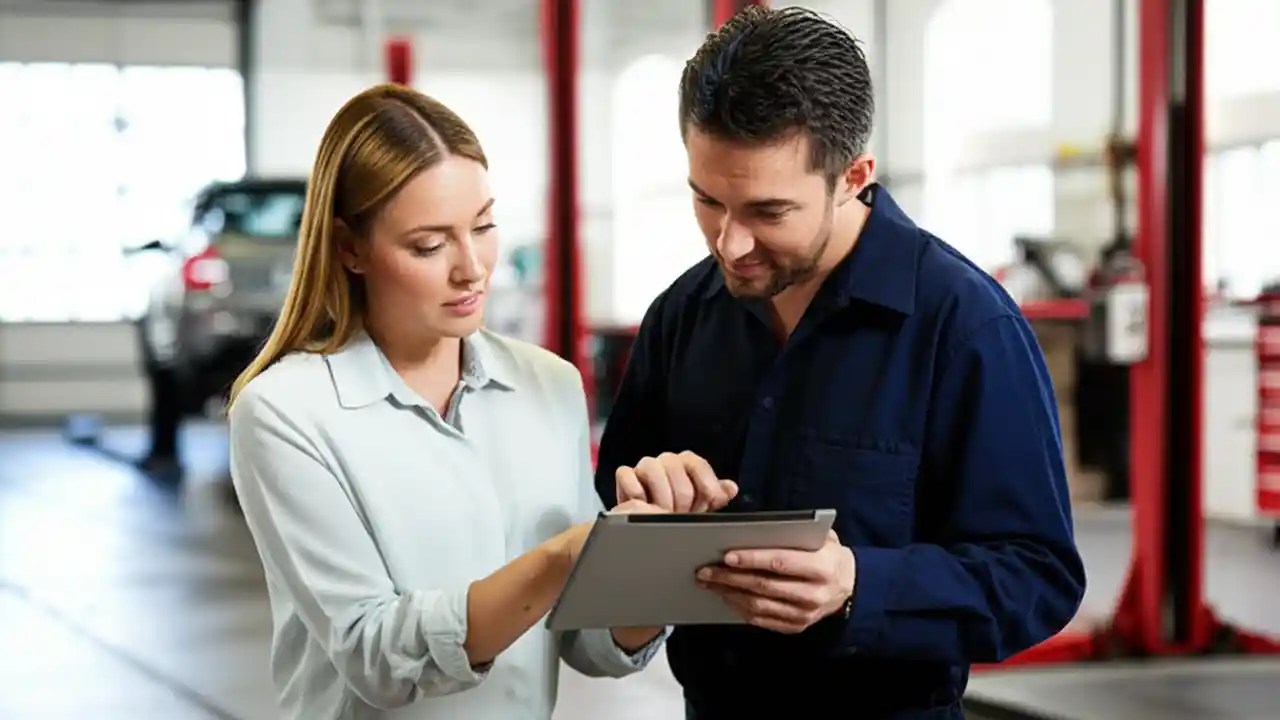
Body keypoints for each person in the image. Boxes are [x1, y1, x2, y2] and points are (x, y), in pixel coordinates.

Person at [593, 7, 1088, 719]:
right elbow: (610, 524)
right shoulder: (682, 316)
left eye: (769, 211)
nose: (730, 245)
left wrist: (860, 583)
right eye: (708, 200)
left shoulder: (965, 327)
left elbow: (1036, 578)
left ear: (852, 176)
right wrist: (643, 502)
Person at [225, 83, 672, 720]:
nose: (472, 268)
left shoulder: (548, 384)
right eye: (430, 245)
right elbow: (376, 658)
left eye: (484, 226)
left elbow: (590, 640)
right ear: (351, 247)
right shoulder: (285, 413)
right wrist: (564, 556)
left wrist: (646, 562)